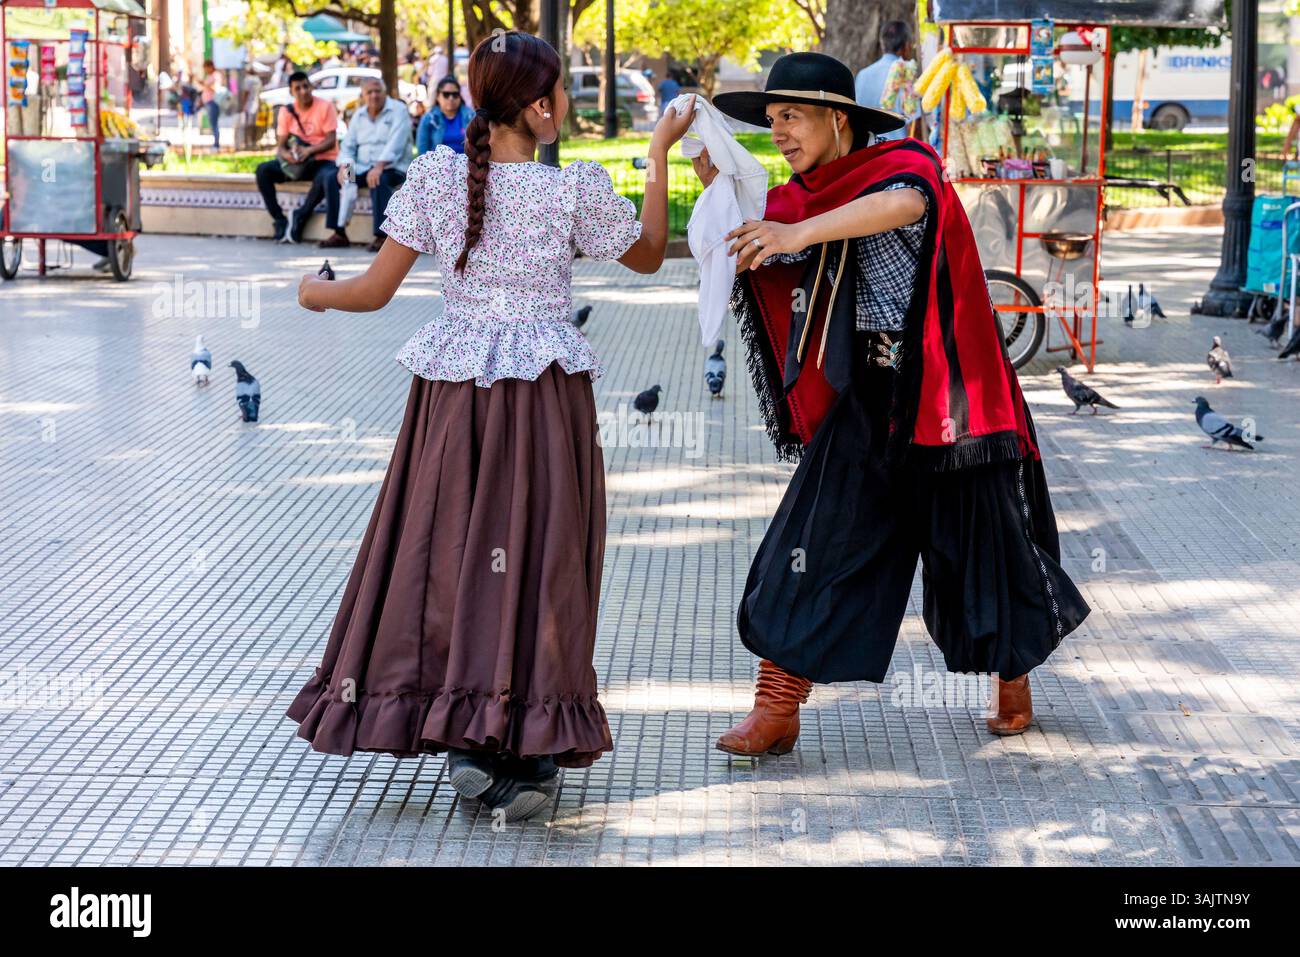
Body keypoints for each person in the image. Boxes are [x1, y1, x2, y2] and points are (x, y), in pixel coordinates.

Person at [287, 31, 695, 821]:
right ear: (540, 109)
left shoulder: (439, 179)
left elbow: (371, 292)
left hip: (456, 404)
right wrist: (657, 155)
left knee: (452, 557)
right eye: (562, 98)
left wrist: (312, 292)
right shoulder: (570, 188)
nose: (567, 110)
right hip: (545, 401)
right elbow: (649, 252)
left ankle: (469, 738)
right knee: (544, 560)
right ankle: (532, 749)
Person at [693, 51, 1089, 756]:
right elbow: (760, 229)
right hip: (869, 395)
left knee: (983, 546)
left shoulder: (903, 164)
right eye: (773, 119)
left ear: (838, 120)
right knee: (807, 541)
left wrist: (798, 232)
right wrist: (707, 170)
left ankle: (1013, 675)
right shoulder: (810, 192)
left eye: (793, 117)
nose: (779, 131)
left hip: (950, 392)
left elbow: (908, 201)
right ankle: (777, 704)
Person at [327, 77, 413, 252]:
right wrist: (345, 166)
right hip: (363, 166)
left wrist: (380, 166)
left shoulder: (399, 110)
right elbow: (348, 146)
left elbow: (396, 144)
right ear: (363, 95)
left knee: (378, 179)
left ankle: (381, 237)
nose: (374, 96)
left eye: (378, 91)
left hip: (393, 166)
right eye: (369, 92)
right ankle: (339, 232)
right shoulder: (359, 115)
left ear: (385, 92)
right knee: (333, 178)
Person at [254, 71, 339, 244]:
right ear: (291, 92)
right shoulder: (286, 111)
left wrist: (309, 151)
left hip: (323, 160)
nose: (303, 91)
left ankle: (301, 216)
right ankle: (279, 220)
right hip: (297, 164)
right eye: (298, 88)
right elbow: (281, 145)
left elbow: (331, 140)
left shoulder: (326, 106)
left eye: (306, 86)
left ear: (311, 87)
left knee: (327, 177)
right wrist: (288, 156)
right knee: (263, 170)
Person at [854, 20, 912, 142]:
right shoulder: (906, 75)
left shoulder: (862, 75)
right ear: (906, 46)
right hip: (899, 154)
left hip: (868, 153)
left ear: (882, 44)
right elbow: (914, 125)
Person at [415, 75, 474, 156]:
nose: (451, 98)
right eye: (446, 94)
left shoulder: (471, 116)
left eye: (455, 94)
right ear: (437, 97)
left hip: (468, 165)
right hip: (436, 167)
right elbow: (422, 150)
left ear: (460, 96)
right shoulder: (428, 119)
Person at [200, 60, 224, 149]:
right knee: (213, 123)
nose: (205, 70)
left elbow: (215, 88)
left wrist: (205, 85)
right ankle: (215, 143)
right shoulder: (210, 76)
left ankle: (216, 144)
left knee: (214, 123)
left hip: (213, 102)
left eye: (206, 68)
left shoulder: (215, 75)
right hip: (208, 102)